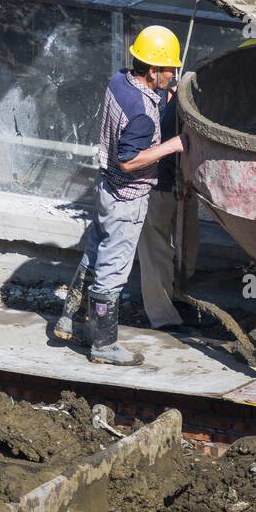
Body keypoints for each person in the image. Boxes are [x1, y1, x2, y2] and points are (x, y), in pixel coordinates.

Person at [53, 25, 183, 366]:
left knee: (95, 252)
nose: (174, 74)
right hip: (127, 195)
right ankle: (104, 345)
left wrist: (164, 96)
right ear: (153, 70)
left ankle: (69, 319)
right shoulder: (143, 113)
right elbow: (128, 161)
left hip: (105, 188)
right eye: (170, 69)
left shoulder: (119, 81)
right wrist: (173, 144)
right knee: (114, 269)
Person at [137, 84, 200, 330]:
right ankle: (163, 318)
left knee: (187, 247)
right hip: (156, 184)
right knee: (156, 254)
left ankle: (179, 301)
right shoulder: (143, 97)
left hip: (184, 184)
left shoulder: (178, 92)